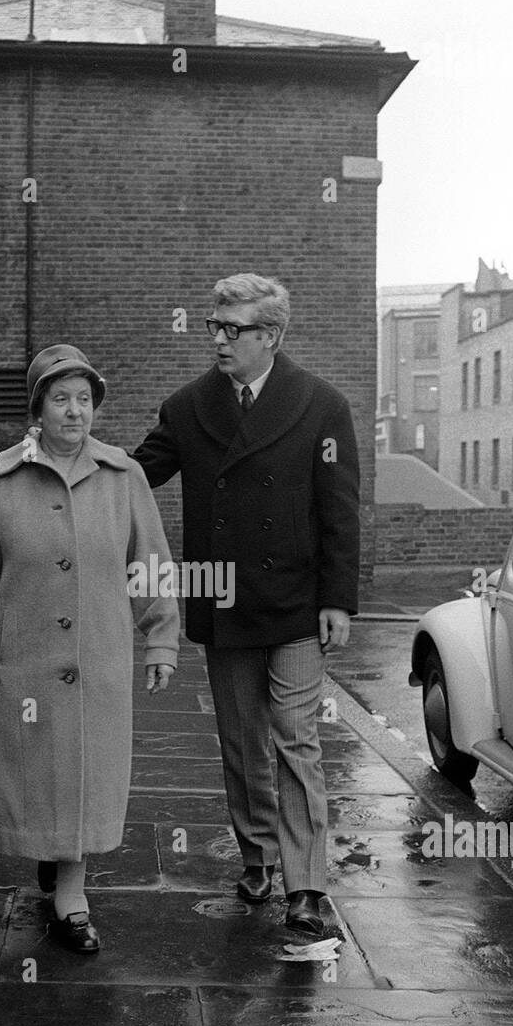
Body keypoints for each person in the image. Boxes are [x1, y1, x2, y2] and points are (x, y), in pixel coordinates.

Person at [133, 274, 360, 937]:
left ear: (273, 336)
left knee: (296, 738)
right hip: (220, 595)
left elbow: (339, 511)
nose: (219, 340)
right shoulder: (188, 407)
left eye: (234, 330)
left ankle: (308, 885)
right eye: (214, 326)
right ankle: (257, 856)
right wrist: (65, 457)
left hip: (295, 601)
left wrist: (338, 600)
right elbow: (137, 471)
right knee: (241, 742)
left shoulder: (323, 406)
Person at [0, 344, 179, 953]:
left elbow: (151, 569)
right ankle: (49, 860)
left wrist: (160, 642)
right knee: (32, 779)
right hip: (22, 667)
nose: (74, 412)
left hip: (98, 664)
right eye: (60, 399)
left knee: (85, 778)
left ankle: (71, 895)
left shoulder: (124, 478)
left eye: (84, 400)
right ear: (39, 408)